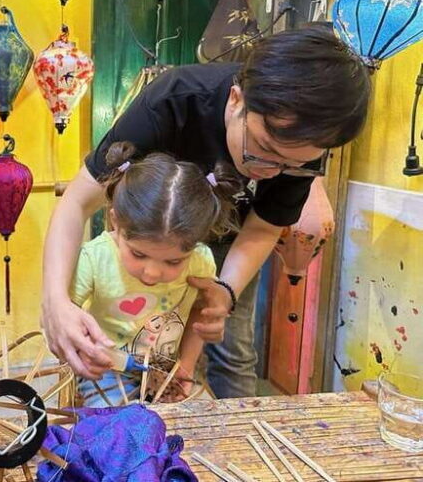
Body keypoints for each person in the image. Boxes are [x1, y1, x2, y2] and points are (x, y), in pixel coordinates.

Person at [42, 25, 371, 398]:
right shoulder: (173, 100)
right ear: (236, 99)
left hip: (231, 243)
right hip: (149, 233)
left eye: (291, 164)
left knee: (231, 350)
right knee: (123, 334)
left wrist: (225, 292)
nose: (271, 171)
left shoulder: (304, 150)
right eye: (263, 149)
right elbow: (76, 203)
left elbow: (264, 228)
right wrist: (55, 300)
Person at [71, 142, 242, 407]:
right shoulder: (95, 258)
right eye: (138, 254)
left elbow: (200, 314)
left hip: (166, 368)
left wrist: (185, 366)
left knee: (192, 419)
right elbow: (65, 316)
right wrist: (82, 350)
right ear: (116, 221)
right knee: (115, 423)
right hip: (105, 369)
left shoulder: (199, 261)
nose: (151, 274)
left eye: (173, 261)